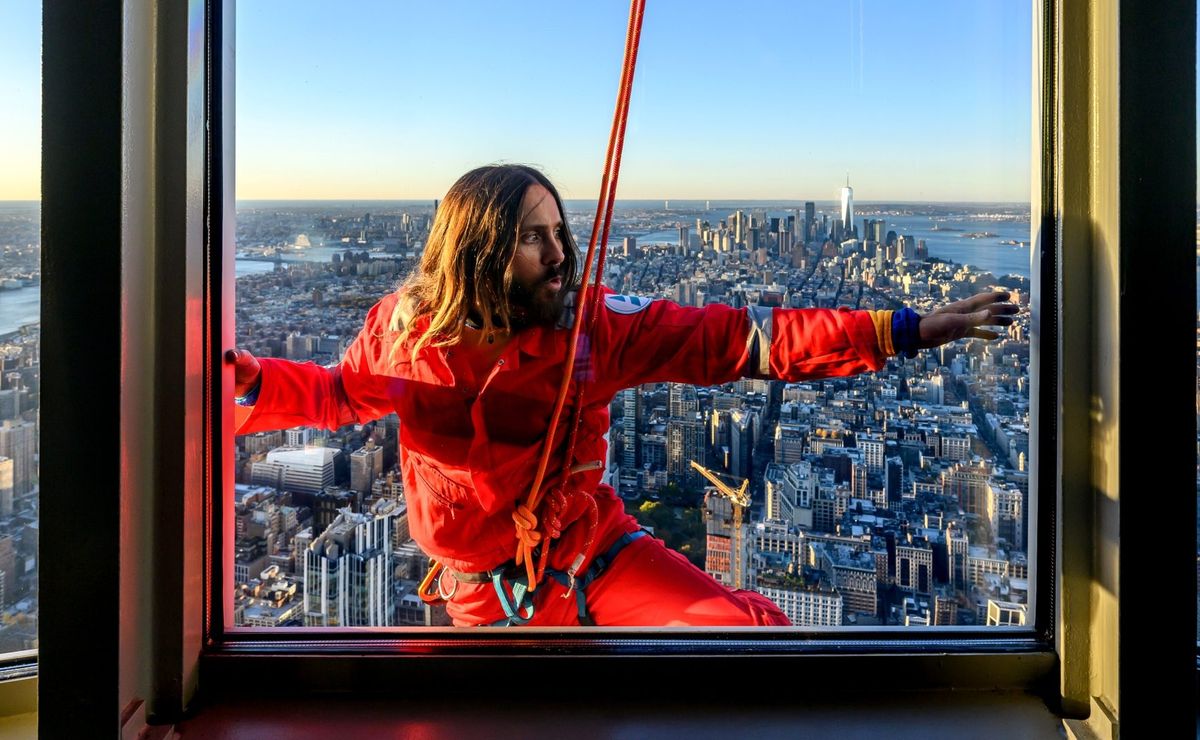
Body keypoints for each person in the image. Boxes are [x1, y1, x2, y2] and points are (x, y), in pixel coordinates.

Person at [227, 164, 1017, 627]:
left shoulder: (591, 330)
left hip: (589, 556)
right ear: (478, 250)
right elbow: (339, 395)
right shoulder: (406, 332)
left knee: (750, 638)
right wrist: (239, 384)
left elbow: (741, 340)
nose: (561, 252)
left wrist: (902, 328)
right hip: (478, 600)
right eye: (534, 237)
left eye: (559, 231)